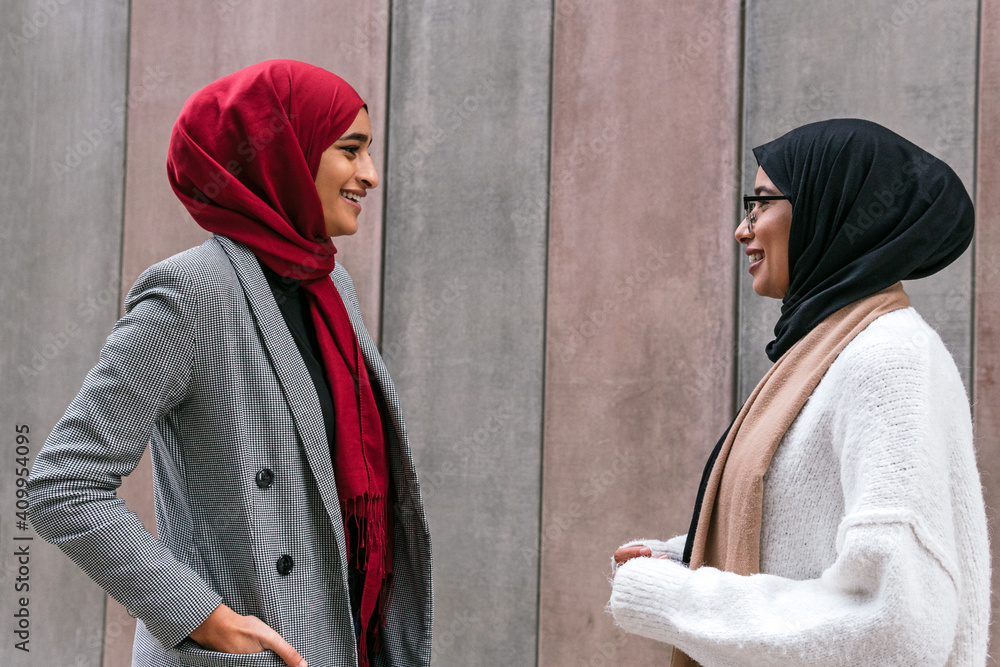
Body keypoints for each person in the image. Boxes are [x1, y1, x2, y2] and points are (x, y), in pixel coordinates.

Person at [27, 60, 432, 667]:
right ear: (288, 155)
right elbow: (62, 484)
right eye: (350, 151)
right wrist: (199, 617)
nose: (370, 175)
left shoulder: (330, 287)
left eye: (368, 152)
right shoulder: (191, 293)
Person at [607, 118, 989, 666]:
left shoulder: (887, 359)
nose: (744, 229)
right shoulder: (825, 351)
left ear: (828, 207)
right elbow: (817, 548)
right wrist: (686, 559)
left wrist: (678, 599)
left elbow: (895, 625)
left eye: (761, 203)